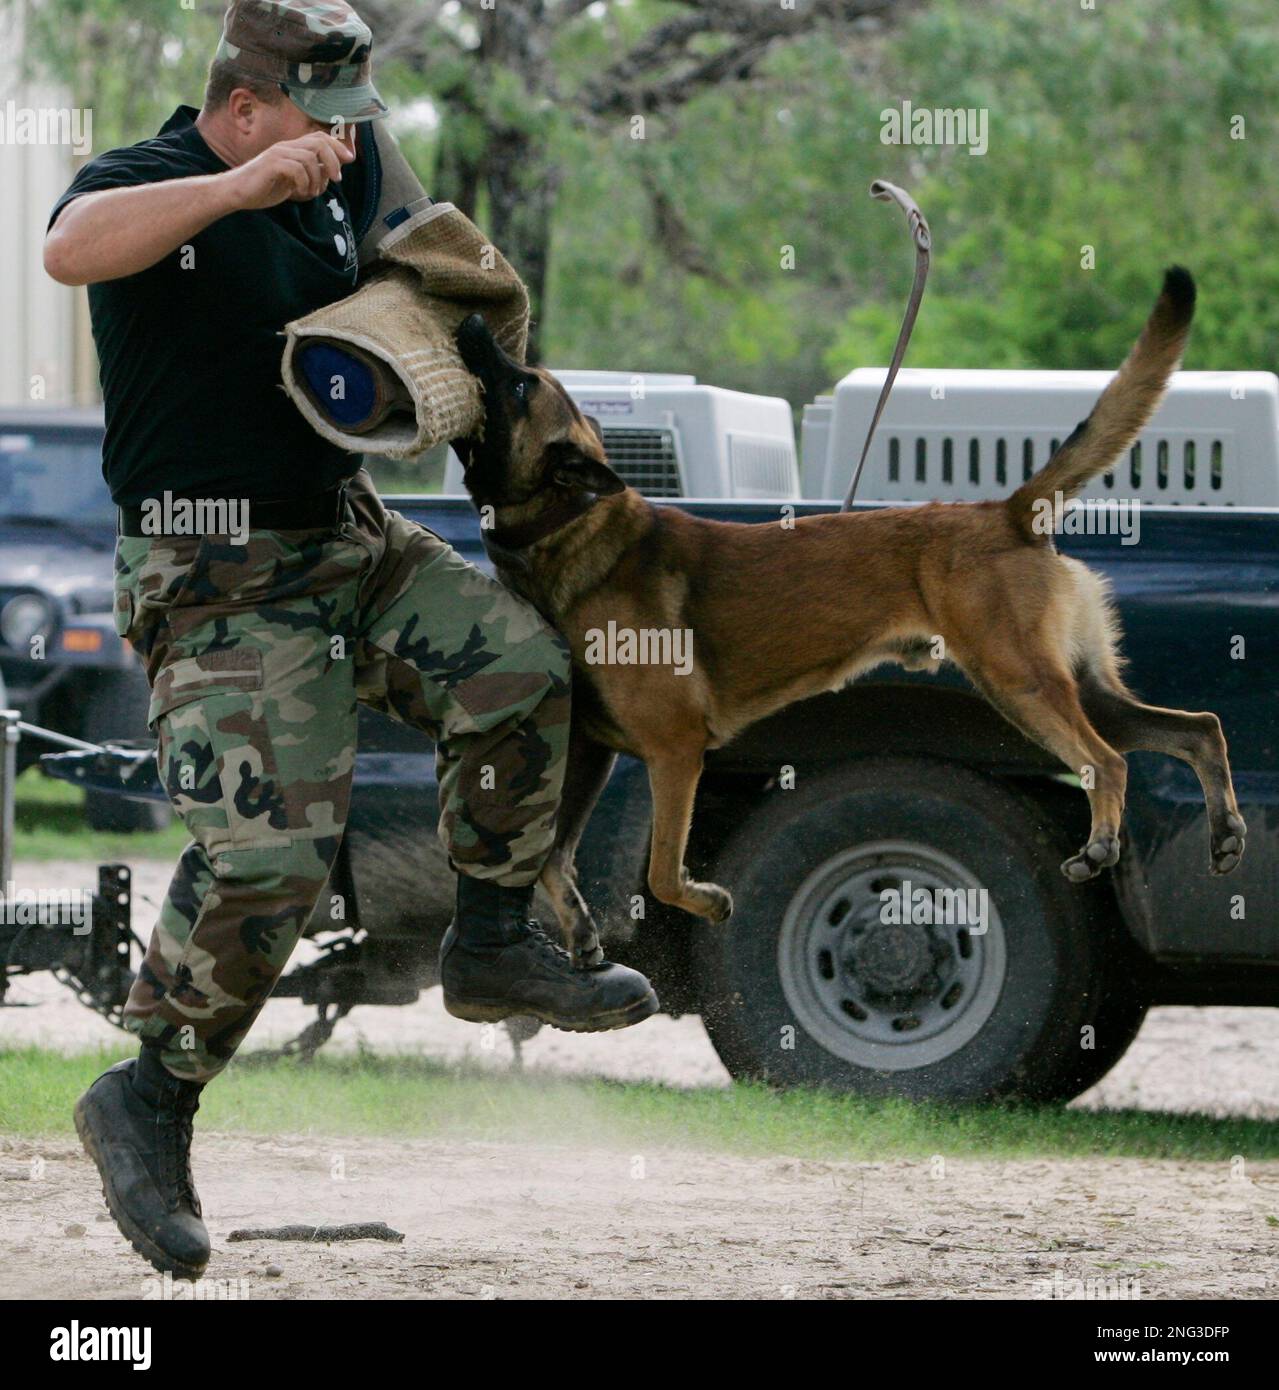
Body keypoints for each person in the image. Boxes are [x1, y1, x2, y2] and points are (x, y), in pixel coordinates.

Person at [44, 0, 656, 1281]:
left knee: (523, 667)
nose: (344, 143)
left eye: (350, 120)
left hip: (345, 535)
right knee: (273, 857)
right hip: (210, 568)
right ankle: (148, 1099)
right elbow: (68, 251)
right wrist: (244, 188)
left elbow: (436, 257)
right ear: (248, 106)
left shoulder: (355, 162)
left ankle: (491, 941)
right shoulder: (148, 182)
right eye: (316, 123)